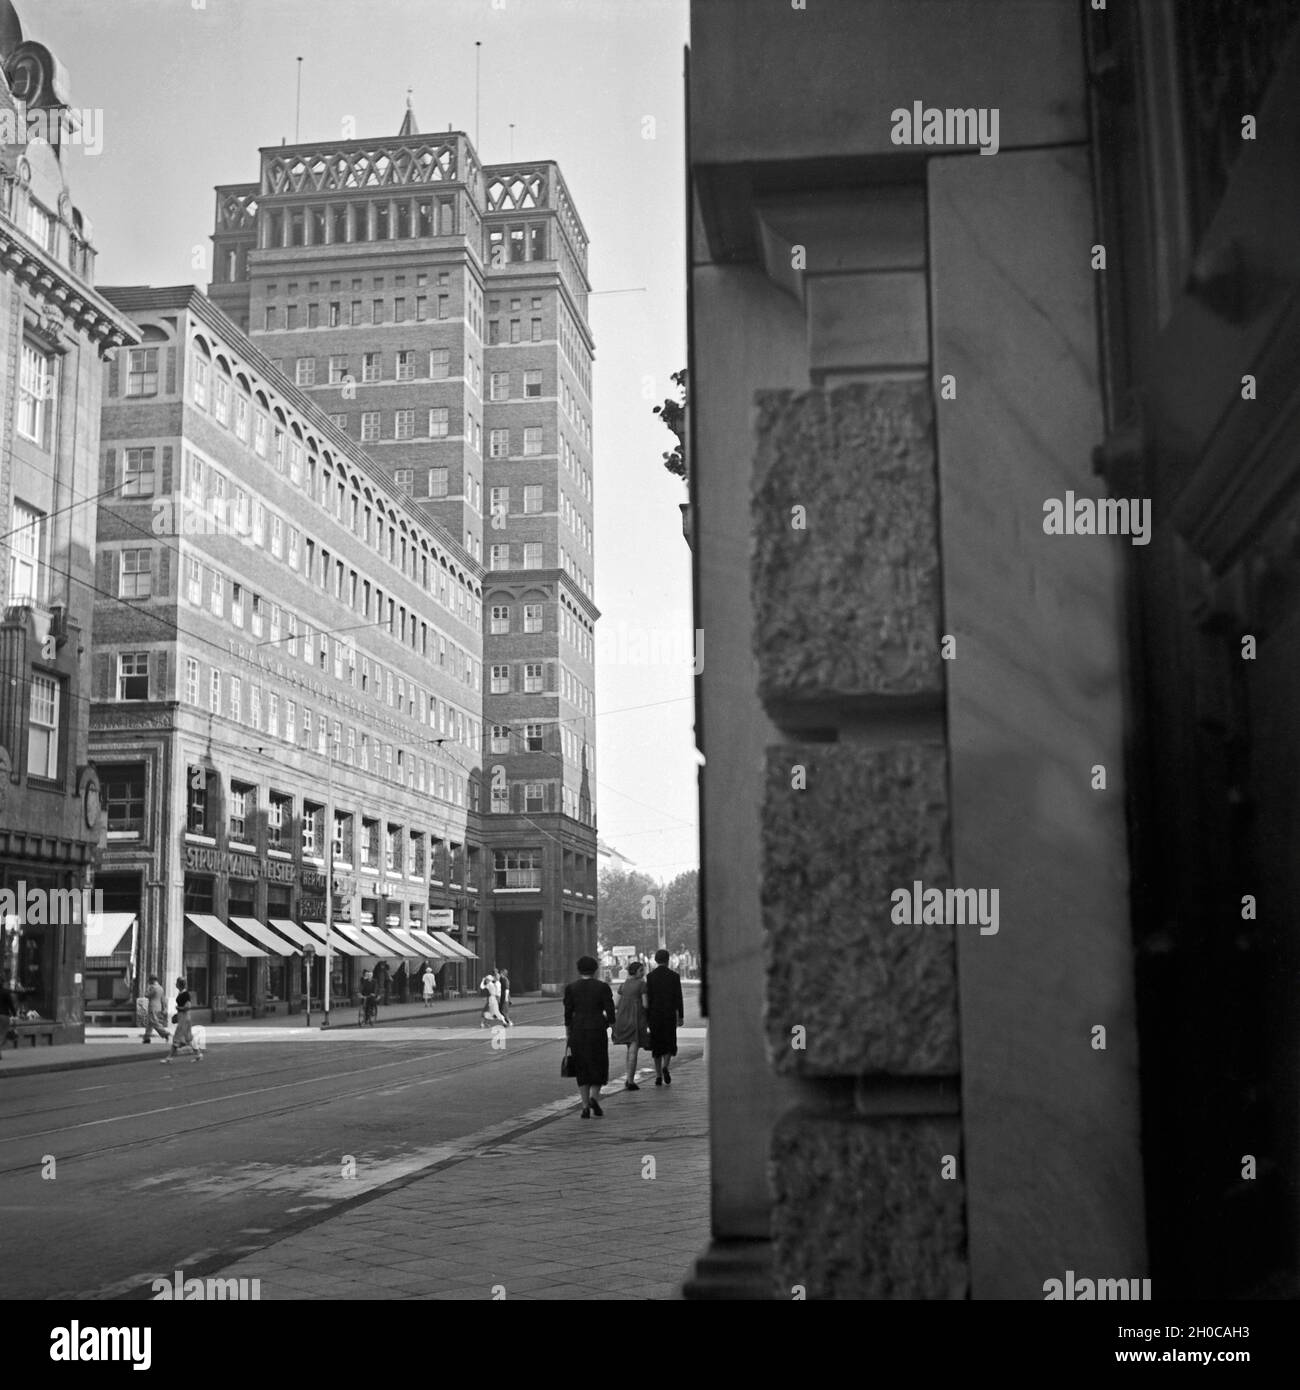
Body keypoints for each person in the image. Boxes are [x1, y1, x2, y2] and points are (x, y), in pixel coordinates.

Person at [562, 955, 616, 1118]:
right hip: (597, 1030)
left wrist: (568, 1034)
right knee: (598, 1064)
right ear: (595, 969)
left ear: (579, 970)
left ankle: (585, 1106)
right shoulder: (602, 987)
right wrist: (613, 1028)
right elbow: (610, 1010)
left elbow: (567, 1013)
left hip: (578, 1030)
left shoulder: (571, 988)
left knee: (582, 1067)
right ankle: (594, 1097)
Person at [645, 948, 685, 1086]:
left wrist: (647, 1017)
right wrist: (680, 1016)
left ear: (656, 960)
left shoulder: (650, 977)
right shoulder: (674, 976)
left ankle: (658, 1075)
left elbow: (648, 999)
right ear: (668, 960)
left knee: (656, 1045)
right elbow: (678, 997)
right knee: (669, 1042)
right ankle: (665, 1067)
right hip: (669, 1014)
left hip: (655, 1014)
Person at [611, 960, 649, 1090]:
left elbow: (616, 1004)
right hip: (636, 1020)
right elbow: (645, 1004)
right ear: (636, 972)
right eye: (641, 970)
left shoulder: (623, 985)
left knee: (629, 1050)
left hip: (623, 1020)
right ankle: (630, 1081)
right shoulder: (642, 985)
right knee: (633, 1052)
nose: (643, 973)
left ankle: (629, 1078)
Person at [164, 977, 202, 1063]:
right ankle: (198, 1054)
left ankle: (169, 1057)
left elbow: (188, 1006)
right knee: (188, 1038)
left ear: (179, 984)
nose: (175, 984)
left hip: (184, 1018)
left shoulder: (185, 994)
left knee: (177, 1038)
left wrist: (178, 1008)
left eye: (176, 983)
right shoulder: (181, 993)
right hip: (183, 1017)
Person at [141, 974, 169, 1045]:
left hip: (152, 1007)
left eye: (149, 980)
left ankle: (164, 1033)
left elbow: (146, 995)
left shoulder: (153, 987)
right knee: (149, 1024)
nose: (149, 982)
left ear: (152, 980)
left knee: (154, 1022)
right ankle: (147, 1038)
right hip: (158, 1007)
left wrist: (148, 988)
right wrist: (164, 1008)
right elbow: (163, 999)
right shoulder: (160, 988)